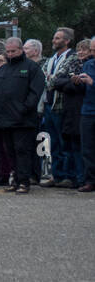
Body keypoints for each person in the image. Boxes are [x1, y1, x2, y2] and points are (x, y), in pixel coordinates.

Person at [0, 37, 45, 194]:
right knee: (10, 151)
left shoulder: (31, 68)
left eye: (14, 51)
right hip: (4, 119)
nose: (11, 54)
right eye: (8, 51)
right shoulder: (2, 70)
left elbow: (36, 92)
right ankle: (15, 180)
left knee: (22, 150)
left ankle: (24, 182)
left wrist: (24, 108)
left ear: (21, 50)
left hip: (23, 119)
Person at [48, 34, 87, 188]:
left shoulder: (73, 59)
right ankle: (57, 176)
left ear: (67, 40)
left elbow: (59, 81)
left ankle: (71, 176)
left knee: (69, 145)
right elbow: (56, 80)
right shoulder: (53, 59)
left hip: (66, 107)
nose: (54, 40)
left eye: (58, 38)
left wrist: (64, 82)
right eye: (80, 50)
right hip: (52, 104)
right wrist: (66, 81)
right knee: (55, 144)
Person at [76, 41, 95, 193]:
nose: (93, 53)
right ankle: (90, 180)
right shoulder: (88, 65)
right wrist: (77, 82)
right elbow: (84, 88)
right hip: (88, 111)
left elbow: (91, 83)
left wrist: (92, 82)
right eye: (92, 50)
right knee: (87, 148)